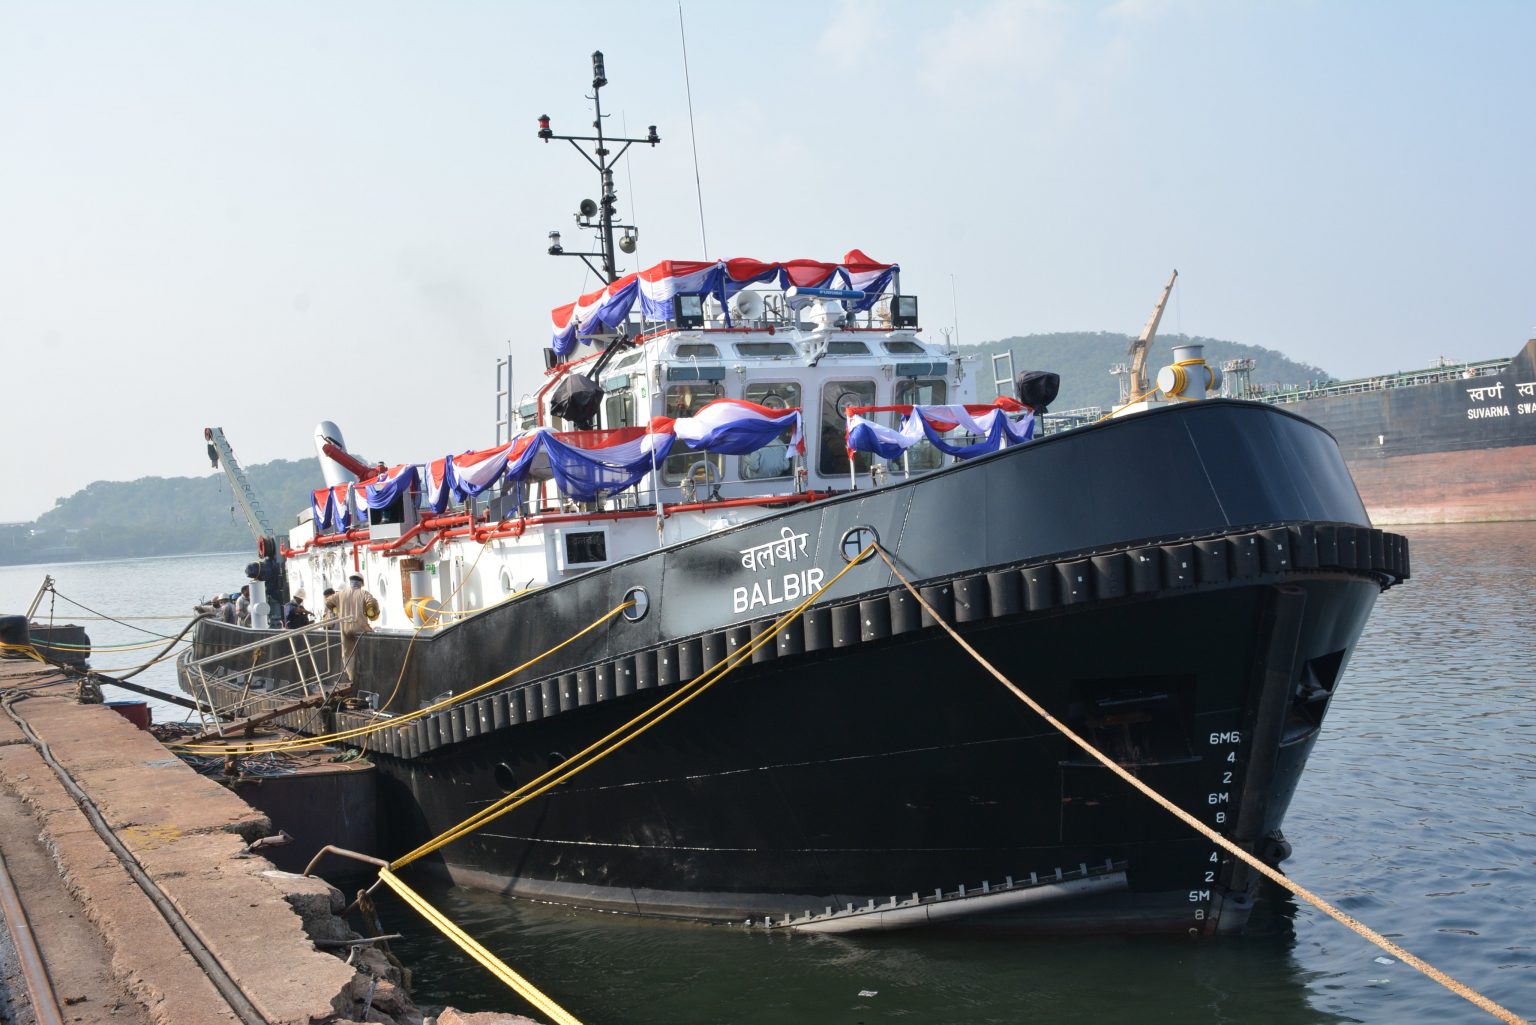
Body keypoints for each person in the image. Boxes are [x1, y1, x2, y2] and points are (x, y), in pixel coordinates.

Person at [327, 574, 379, 684]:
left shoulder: (340, 594)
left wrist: (336, 610)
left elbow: (328, 602)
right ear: (361, 583)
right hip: (360, 628)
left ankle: (352, 679)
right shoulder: (364, 593)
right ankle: (368, 676)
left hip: (345, 629)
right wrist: (371, 613)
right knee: (367, 651)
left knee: (347, 654)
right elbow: (372, 604)